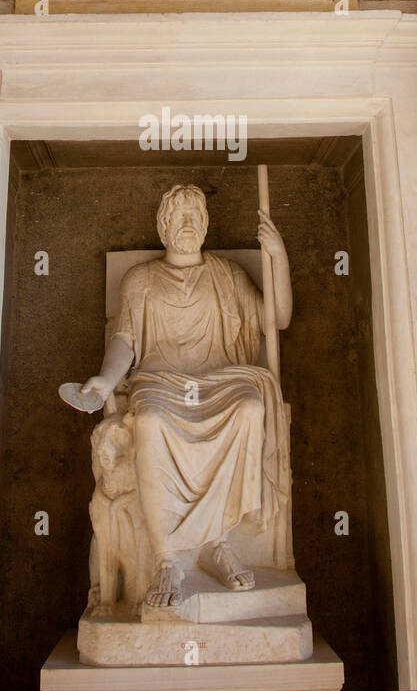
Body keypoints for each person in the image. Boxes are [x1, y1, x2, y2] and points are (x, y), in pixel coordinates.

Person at [75, 183, 292, 608]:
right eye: (179, 217)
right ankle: (168, 558)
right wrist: (105, 378)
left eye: (196, 216)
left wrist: (278, 255)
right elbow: (125, 341)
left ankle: (217, 542)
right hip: (162, 383)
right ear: (164, 226)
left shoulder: (228, 275)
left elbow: (276, 319)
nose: (188, 224)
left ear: (206, 225)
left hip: (221, 380)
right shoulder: (141, 280)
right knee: (152, 421)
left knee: (250, 406)